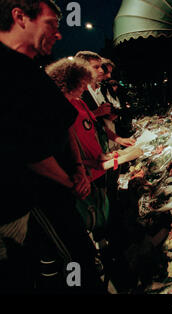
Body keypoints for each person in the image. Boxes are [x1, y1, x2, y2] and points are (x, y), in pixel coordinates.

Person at [0, 0, 103, 293]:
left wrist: (80, 168)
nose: (58, 34)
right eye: (51, 24)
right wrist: (70, 179)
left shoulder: (32, 70)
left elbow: (65, 124)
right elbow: (29, 152)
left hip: (63, 194)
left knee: (84, 261)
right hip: (31, 207)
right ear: (20, 17)